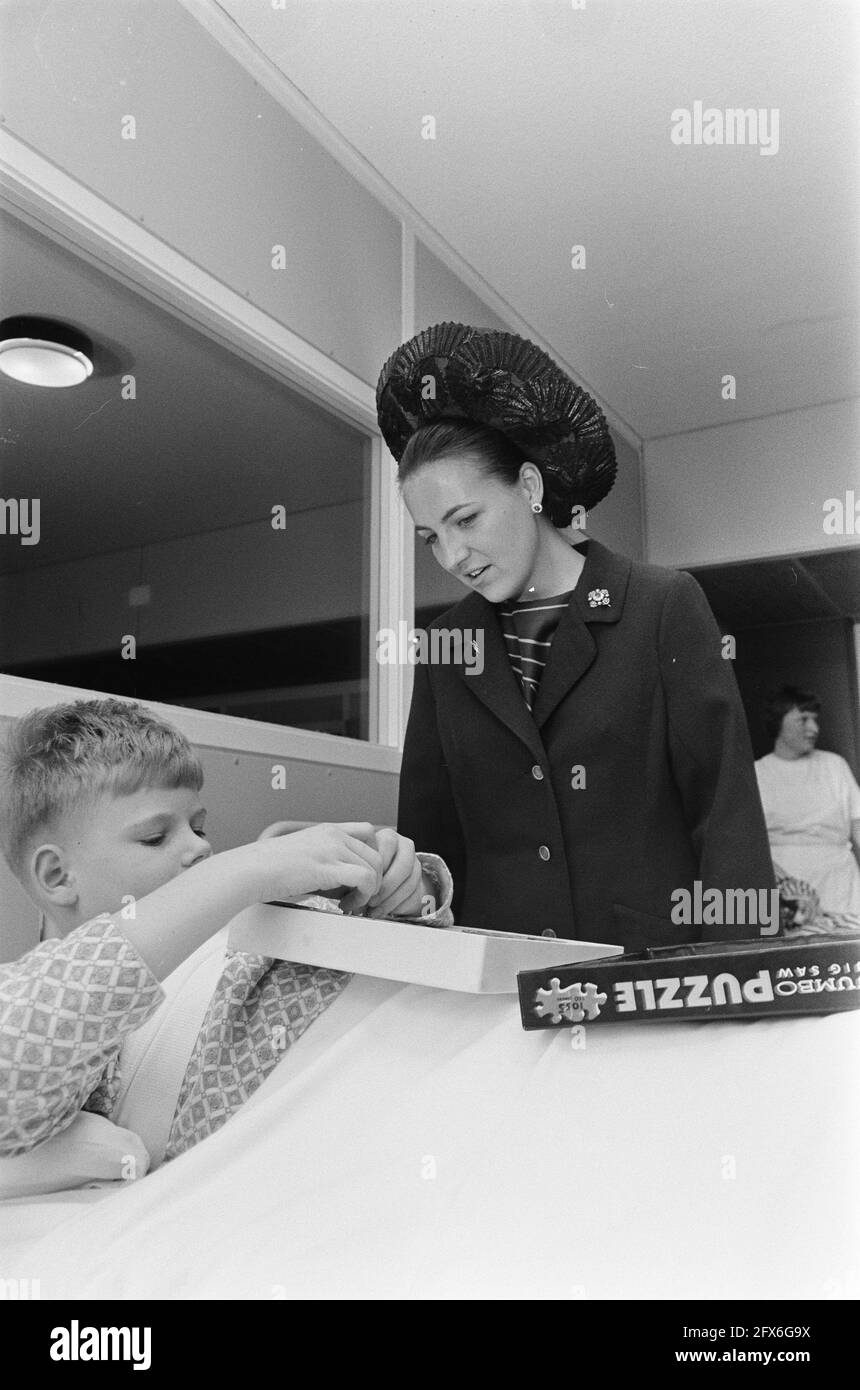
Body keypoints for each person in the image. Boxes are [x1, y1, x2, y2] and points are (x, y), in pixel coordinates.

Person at [376, 321, 774, 949]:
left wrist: (734, 984)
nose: (452, 556)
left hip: (649, 977)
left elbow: (724, 815)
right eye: (431, 538)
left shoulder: (662, 605)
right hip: (501, 990)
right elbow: (432, 836)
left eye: (466, 519)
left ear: (530, 489)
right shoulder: (447, 646)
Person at [0, 698, 452, 1178]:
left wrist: (408, 890)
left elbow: (418, 971)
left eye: (198, 826)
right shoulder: (50, 1016)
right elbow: (21, 1052)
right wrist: (238, 872)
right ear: (57, 875)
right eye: (155, 837)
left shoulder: (253, 925)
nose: (201, 848)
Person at [755, 685, 860, 915]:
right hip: (784, 887)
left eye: (815, 720)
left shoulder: (834, 765)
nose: (814, 729)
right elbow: (748, 842)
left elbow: (857, 825)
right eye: (803, 720)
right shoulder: (758, 773)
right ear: (778, 723)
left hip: (839, 881)